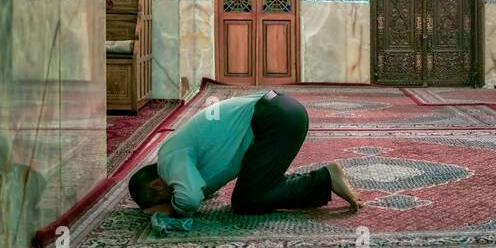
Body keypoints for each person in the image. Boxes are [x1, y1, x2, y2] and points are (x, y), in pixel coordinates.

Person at [127, 89, 359, 219]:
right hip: (282, 113)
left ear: (158, 184)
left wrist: (171, 210)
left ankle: (325, 179)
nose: (172, 195)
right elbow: (201, 191)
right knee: (256, 190)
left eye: (165, 197)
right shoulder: (178, 154)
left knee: (247, 200)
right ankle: (324, 180)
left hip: (275, 120)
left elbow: (188, 199)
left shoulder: (168, 158)